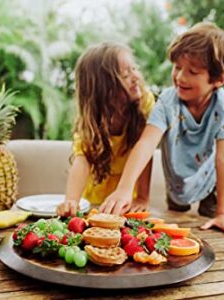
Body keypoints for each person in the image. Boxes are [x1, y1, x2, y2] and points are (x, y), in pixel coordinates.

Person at [100, 23, 224, 238]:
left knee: (212, 231)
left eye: (192, 71)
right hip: (177, 182)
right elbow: (145, 144)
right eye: (177, 67)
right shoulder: (167, 101)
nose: (180, 77)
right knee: (174, 226)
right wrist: (127, 189)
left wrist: (223, 214)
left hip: (210, 183)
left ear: (220, 79)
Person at [56, 42, 155, 217]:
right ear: (105, 89)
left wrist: (142, 197)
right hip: (94, 198)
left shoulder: (144, 103)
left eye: (134, 68)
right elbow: (83, 160)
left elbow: (145, 151)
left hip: (125, 197)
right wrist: (72, 200)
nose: (136, 77)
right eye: (125, 75)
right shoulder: (91, 119)